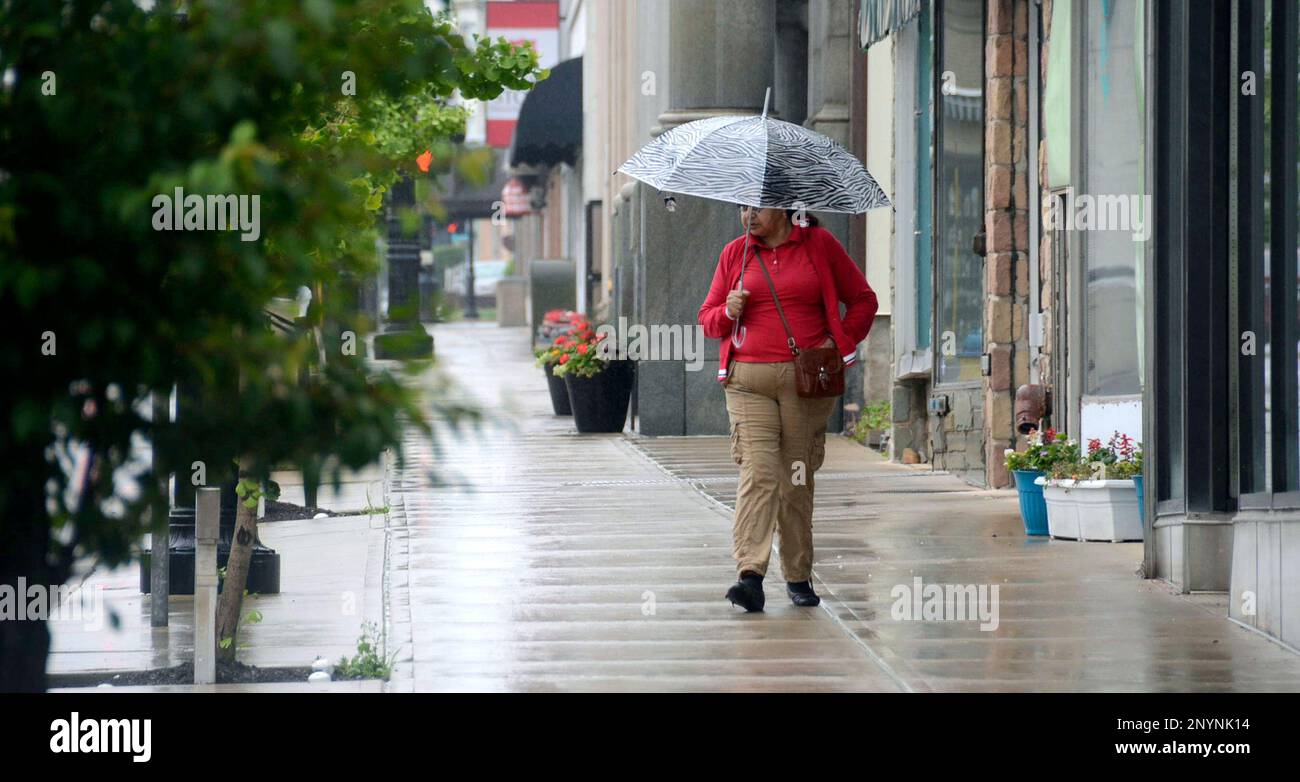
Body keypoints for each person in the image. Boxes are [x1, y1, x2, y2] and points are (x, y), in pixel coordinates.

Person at [697, 206, 878, 612]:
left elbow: (864, 300)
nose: (747, 216)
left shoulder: (819, 246)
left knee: (794, 478)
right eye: (741, 208)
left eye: (756, 207)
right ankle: (750, 576)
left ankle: (797, 574)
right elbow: (707, 320)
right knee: (759, 472)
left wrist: (840, 342)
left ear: (783, 207)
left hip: (806, 382)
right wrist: (728, 311)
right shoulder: (735, 254)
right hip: (748, 383)